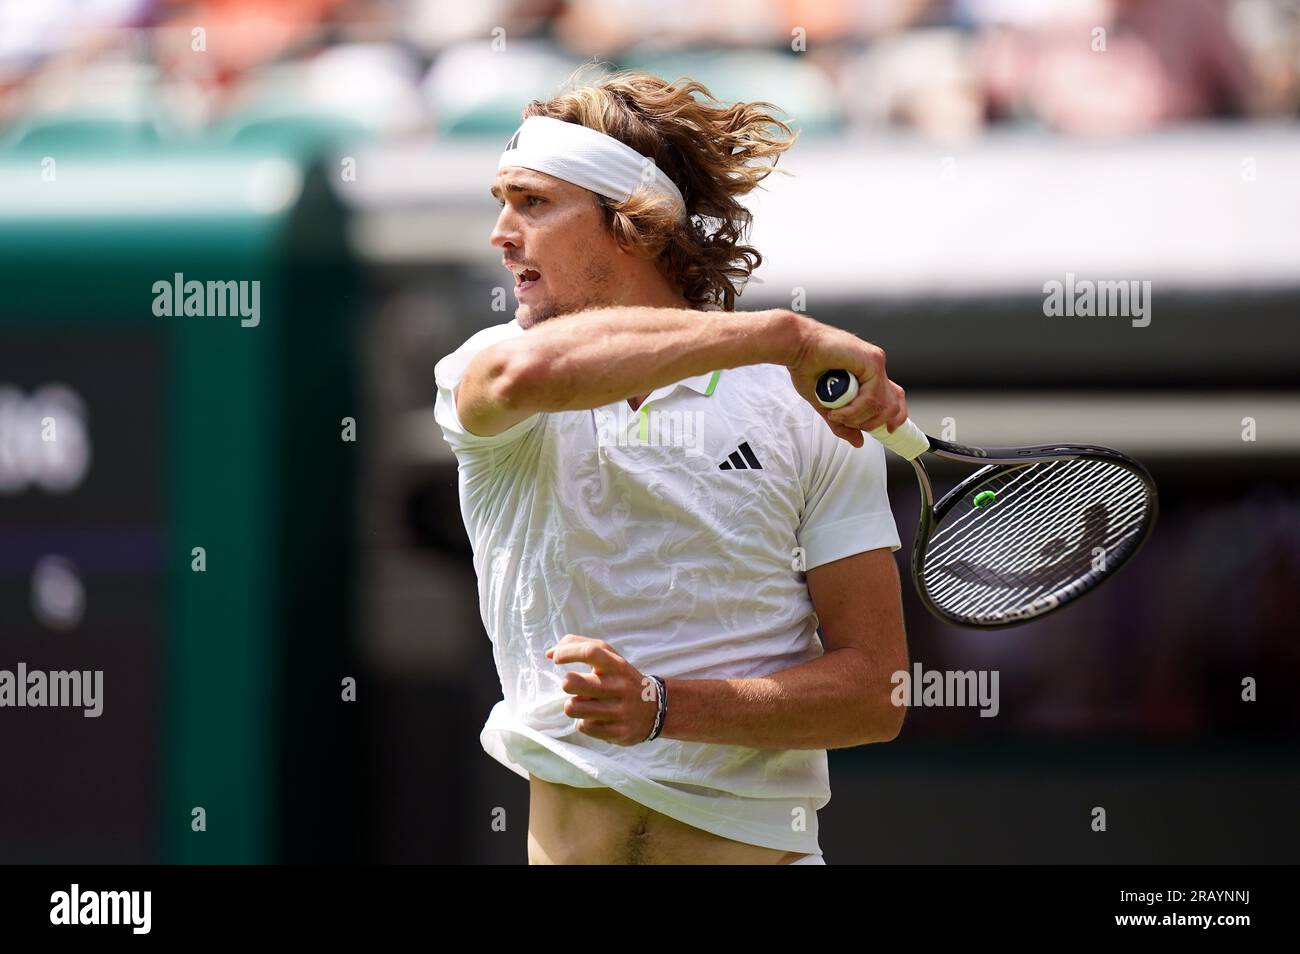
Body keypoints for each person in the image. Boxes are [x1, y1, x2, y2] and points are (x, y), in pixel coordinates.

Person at [433, 70, 910, 864]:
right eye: (500, 200)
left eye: (534, 202)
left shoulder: (810, 413)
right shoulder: (488, 368)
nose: (501, 231)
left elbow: (876, 695)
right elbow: (531, 376)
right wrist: (781, 335)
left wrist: (663, 707)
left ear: (633, 223)